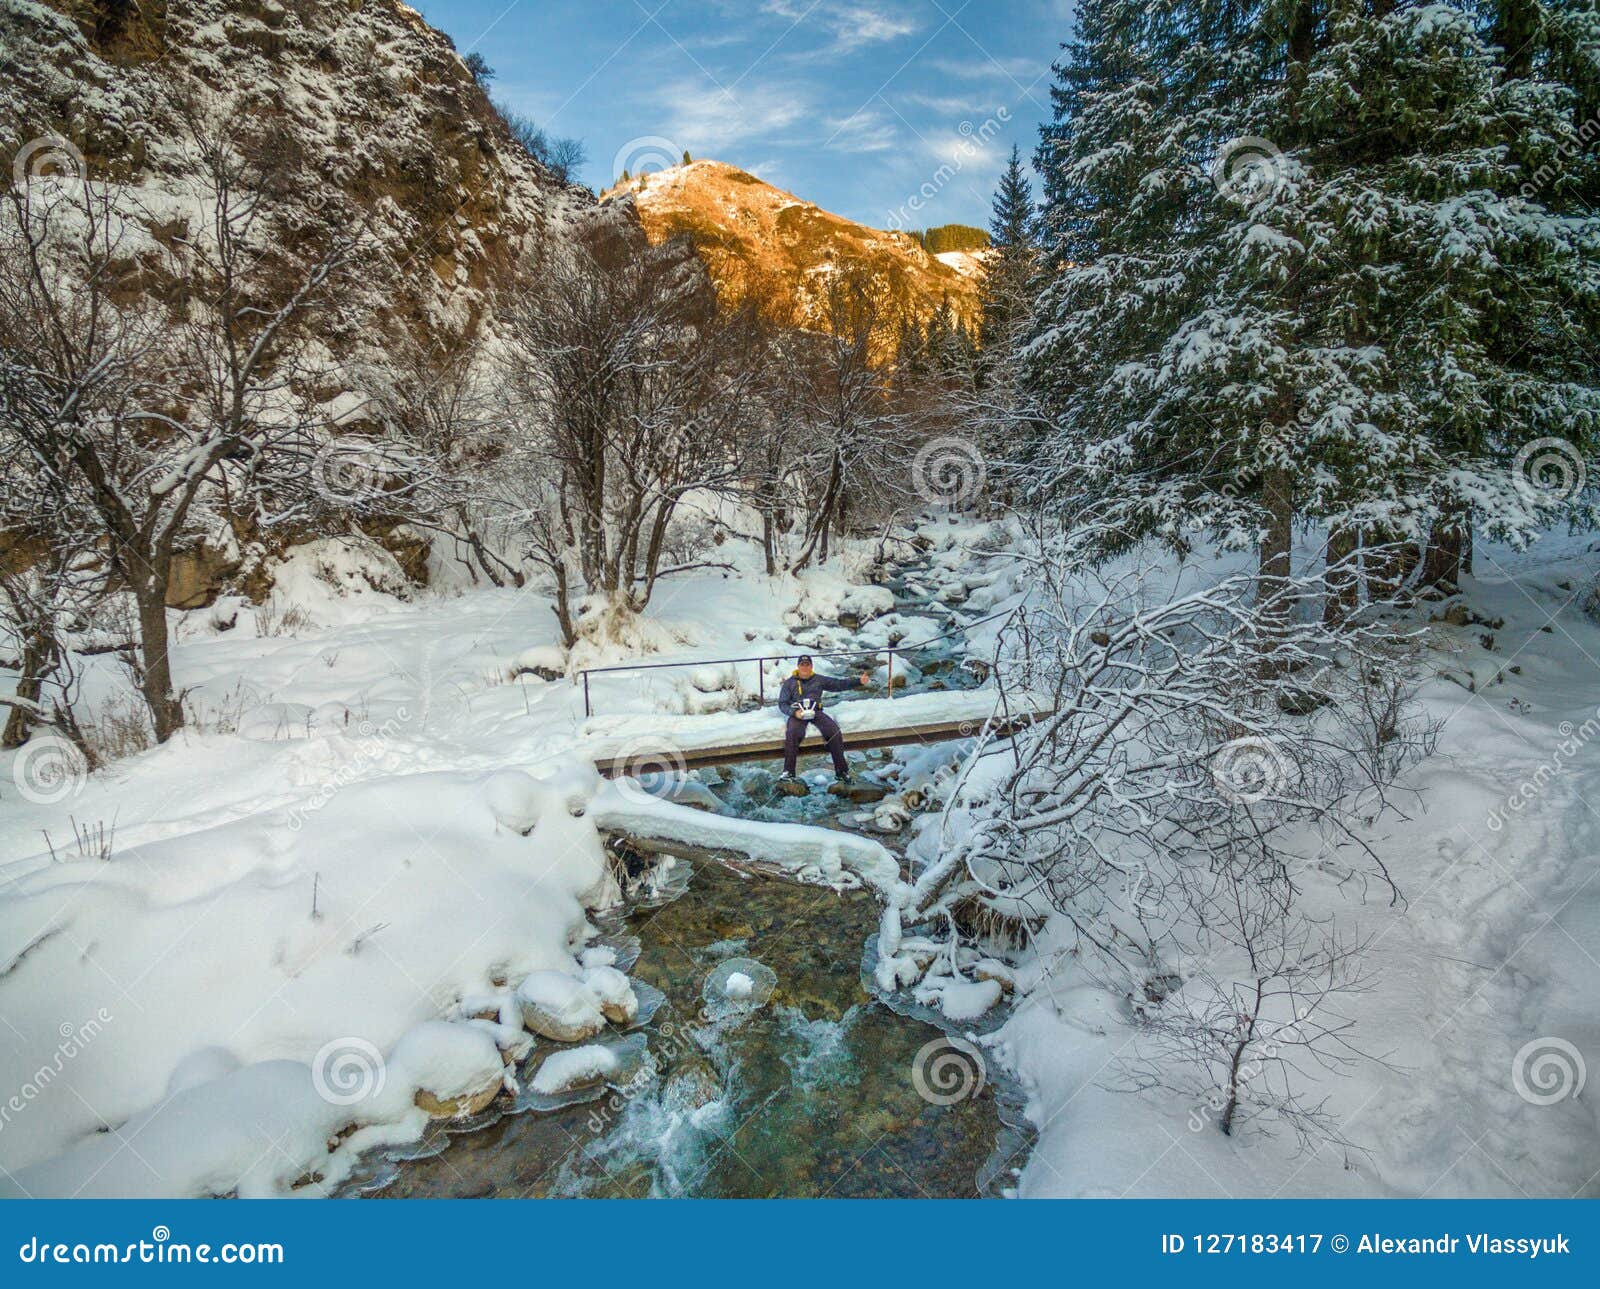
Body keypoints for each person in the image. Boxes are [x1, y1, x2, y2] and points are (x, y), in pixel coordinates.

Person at [776, 654, 873, 784]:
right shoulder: (790, 683)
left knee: (834, 732)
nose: (805, 667)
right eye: (802, 665)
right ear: (798, 666)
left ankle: (841, 771)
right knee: (793, 733)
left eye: (807, 665)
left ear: (811, 666)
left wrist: (858, 682)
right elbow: (782, 703)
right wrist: (794, 713)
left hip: (816, 712)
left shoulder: (818, 680)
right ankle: (788, 772)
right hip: (798, 714)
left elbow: (838, 684)